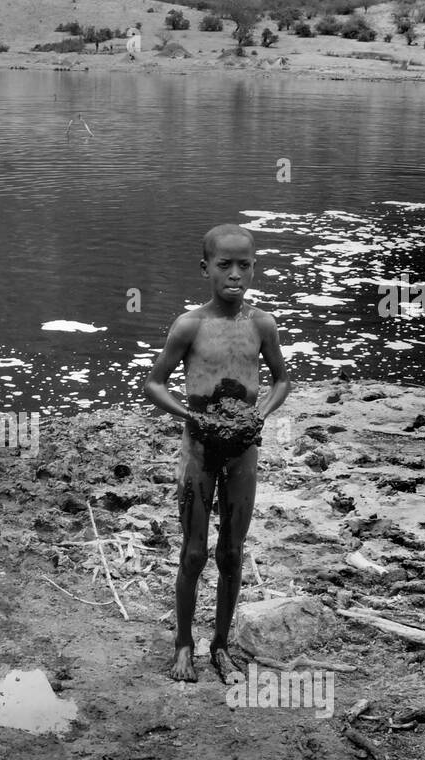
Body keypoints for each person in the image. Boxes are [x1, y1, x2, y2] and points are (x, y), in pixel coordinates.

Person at [143, 224, 291, 683]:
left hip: (242, 449)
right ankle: (183, 643)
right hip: (200, 450)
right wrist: (192, 416)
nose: (234, 275)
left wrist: (260, 413)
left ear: (253, 268)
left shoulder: (261, 325)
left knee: (231, 551)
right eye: (223, 265)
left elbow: (282, 379)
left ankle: (221, 645)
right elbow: (153, 382)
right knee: (192, 553)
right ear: (204, 268)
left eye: (243, 265)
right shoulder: (190, 325)